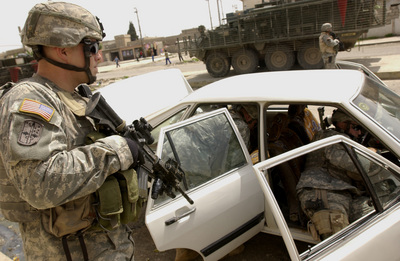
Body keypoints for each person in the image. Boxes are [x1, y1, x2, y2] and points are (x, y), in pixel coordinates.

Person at [0, 2, 142, 260]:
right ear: (63, 50)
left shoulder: (73, 98)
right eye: (92, 47)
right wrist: (118, 151)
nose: (99, 56)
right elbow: (39, 182)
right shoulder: (30, 100)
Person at [296, 109, 374, 240]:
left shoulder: (341, 138)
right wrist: (372, 154)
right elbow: (355, 164)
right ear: (343, 124)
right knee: (338, 239)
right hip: (321, 191)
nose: (360, 132)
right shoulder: (330, 138)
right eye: (356, 127)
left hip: (340, 190)